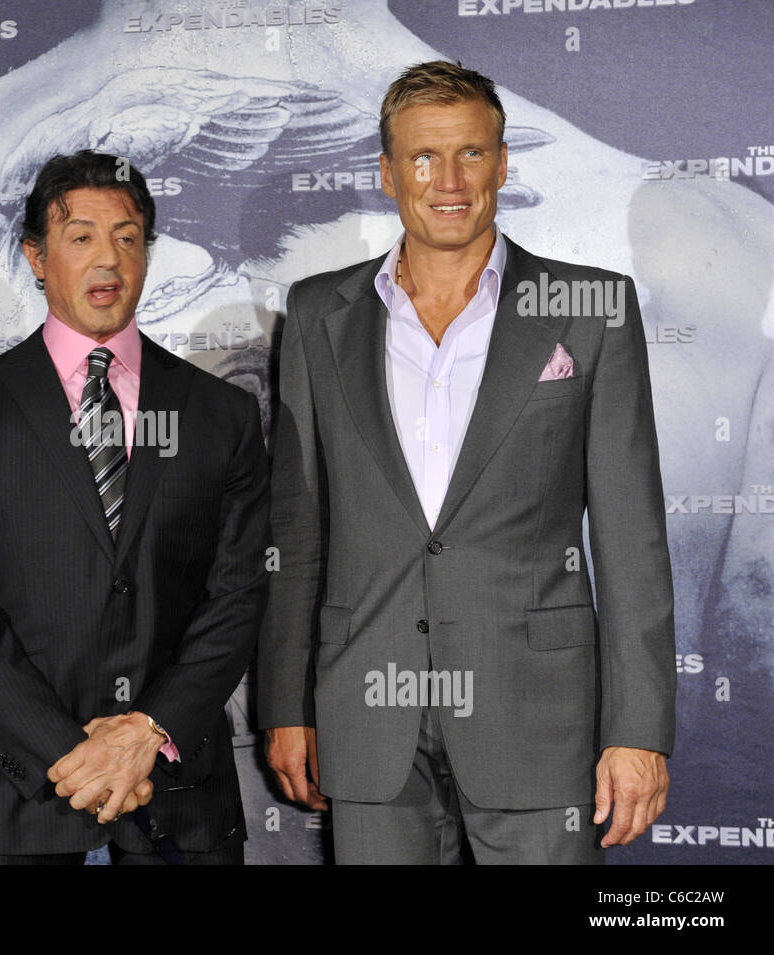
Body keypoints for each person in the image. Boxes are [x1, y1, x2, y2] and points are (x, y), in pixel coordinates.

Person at [258, 62, 676, 864]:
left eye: (471, 154)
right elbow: (298, 530)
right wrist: (287, 702)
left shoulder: (591, 310)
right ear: (387, 173)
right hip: (368, 711)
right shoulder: (318, 313)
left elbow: (631, 543)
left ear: (503, 163)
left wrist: (637, 730)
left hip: (538, 717)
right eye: (422, 158)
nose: (448, 181)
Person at [0, 149, 269, 864]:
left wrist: (145, 733)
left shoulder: (220, 414)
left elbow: (239, 594)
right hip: (23, 790)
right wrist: (76, 757)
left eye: (128, 237)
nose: (108, 259)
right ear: (37, 257)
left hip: (178, 782)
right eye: (81, 237)